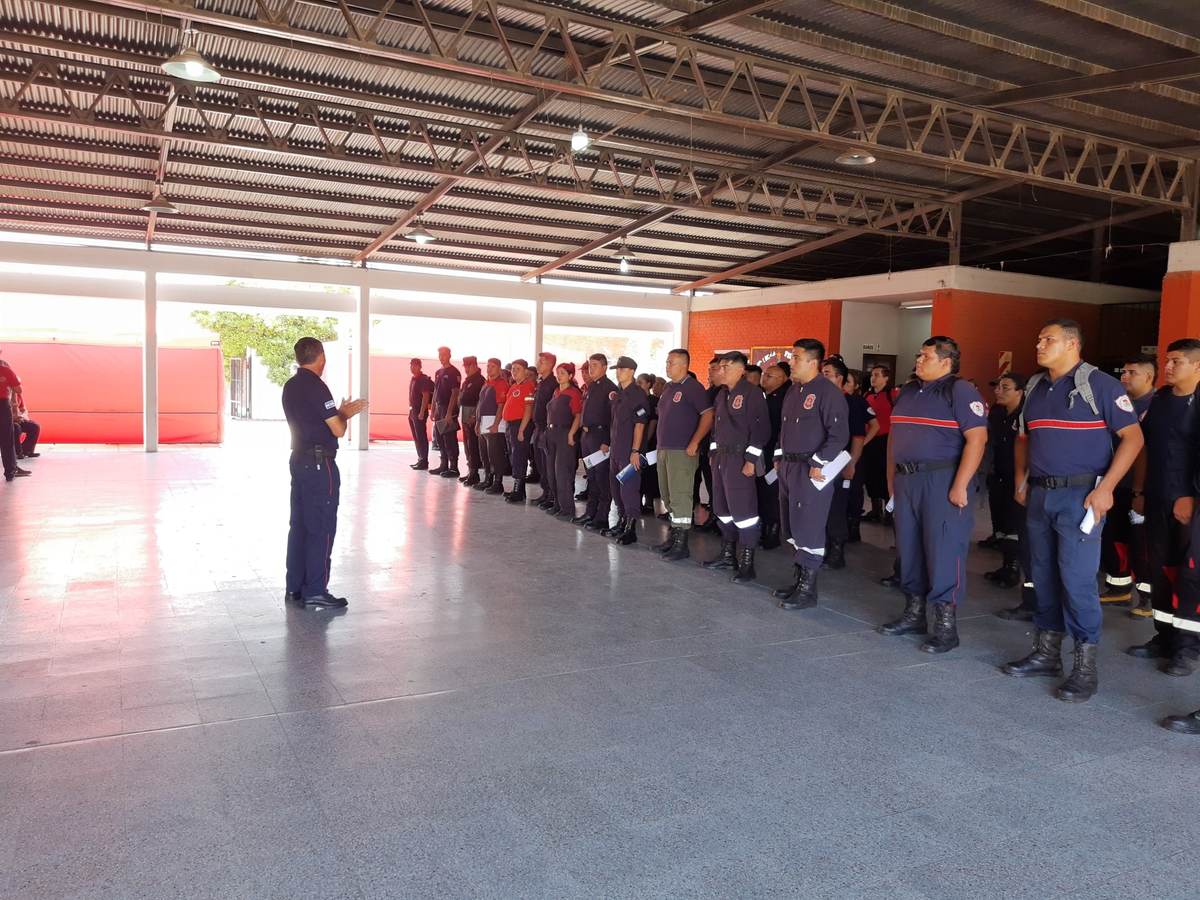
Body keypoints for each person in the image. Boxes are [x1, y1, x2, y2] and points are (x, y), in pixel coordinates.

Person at [1003, 319, 1142, 702]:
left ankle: (1085, 667)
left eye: (1048, 339)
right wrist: (1021, 480)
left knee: (1077, 580)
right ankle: (1048, 653)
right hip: (1040, 495)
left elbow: (1133, 437)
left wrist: (1107, 489)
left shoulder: (1100, 385)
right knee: (1042, 574)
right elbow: (1023, 437)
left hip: (1082, 496)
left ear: (1072, 344)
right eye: (1039, 338)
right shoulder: (1034, 387)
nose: (1039, 344)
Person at [877, 336, 987, 654]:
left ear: (946, 361)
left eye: (926, 356)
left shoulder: (960, 390)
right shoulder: (908, 391)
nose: (919, 360)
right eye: (919, 355)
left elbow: (977, 440)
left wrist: (960, 484)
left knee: (943, 549)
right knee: (908, 547)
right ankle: (914, 613)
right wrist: (891, 478)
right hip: (907, 480)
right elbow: (893, 436)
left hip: (942, 479)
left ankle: (945, 625)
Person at [1128, 340, 1200, 676]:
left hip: (1188, 501)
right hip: (1155, 495)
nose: (1169, 367)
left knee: (1189, 575)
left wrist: (1189, 494)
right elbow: (1144, 447)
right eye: (1167, 360)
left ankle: (1187, 648)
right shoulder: (1160, 399)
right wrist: (1139, 490)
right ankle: (1165, 637)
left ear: (1197, 366)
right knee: (1159, 568)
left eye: (1178, 361)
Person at [281, 337, 368, 609]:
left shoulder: (291, 384)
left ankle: (295, 588)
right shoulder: (317, 387)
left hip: (299, 460)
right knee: (320, 528)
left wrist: (337, 413)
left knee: (300, 527)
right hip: (320, 466)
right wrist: (343, 413)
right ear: (321, 357)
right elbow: (338, 429)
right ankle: (316, 590)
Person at [772, 340, 849, 609]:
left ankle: (808, 589)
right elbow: (784, 429)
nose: (791, 362)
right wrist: (779, 456)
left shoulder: (828, 392)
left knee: (810, 526)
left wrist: (820, 461)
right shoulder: (794, 391)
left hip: (811, 470)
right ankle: (799, 577)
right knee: (792, 524)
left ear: (813, 362)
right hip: (789, 468)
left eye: (796, 357)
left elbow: (839, 435)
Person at [702, 351, 769, 584]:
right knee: (721, 507)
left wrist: (751, 459)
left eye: (725, 367)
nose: (720, 371)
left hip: (740, 458)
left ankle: (747, 563)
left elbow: (760, 429)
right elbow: (715, 428)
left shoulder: (753, 393)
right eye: (719, 367)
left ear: (740, 371)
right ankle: (728, 555)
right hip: (720, 457)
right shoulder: (721, 395)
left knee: (744, 512)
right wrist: (712, 453)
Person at [1099, 355, 1157, 606]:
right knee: (1115, 537)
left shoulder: (1157, 405)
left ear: (1148, 377)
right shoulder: (1119, 404)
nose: (1125, 376)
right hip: (1115, 483)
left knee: (1142, 543)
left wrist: (1140, 491)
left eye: (1132, 372)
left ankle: (1148, 596)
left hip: (1142, 487)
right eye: (1123, 372)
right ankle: (1118, 587)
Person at [984, 374, 1040, 621]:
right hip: (997, 474)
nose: (999, 391)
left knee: (1017, 524)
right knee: (1001, 522)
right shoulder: (996, 414)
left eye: (1005, 387)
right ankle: (1006, 565)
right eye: (998, 386)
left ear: (1021, 392)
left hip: (1017, 478)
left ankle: (1015, 567)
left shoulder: (1026, 415)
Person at [651, 349, 714, 562]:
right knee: (667, 495)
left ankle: (681, 544)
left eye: (672, 362)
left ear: (684, 365)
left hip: (682, 449)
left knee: (681, 495)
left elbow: (708, 414)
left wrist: (695, 441)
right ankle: (673, 536)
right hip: (664, 448)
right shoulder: (669, 387)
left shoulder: (693, 388)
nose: (667, 366)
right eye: (667, 362)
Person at [818, 354, 869, 570]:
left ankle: (837, 552)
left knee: (835, 507)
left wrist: (852, 464)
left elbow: (858, 435)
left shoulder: (848, 401)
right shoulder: (819, 398)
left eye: (827, 374)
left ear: (840, 378)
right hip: (817, 461)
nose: (822, 378)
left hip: (839, 462)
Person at [604, 357, 649, 545]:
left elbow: (640, 424)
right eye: (617, 369)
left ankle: (631, 528)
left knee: (629, 490)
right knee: (616, 490)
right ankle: (622, 522)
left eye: (622, 369)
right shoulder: (619, 394)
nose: (618, 372)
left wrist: (635, 450)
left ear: (632, 371)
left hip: (628, 452)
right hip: (616, 449)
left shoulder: (637, 394)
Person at [574, 354, 618, 530]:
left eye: (595, 365)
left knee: (601, 477)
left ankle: (602, 516)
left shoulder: (609, 389)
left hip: (600, 438)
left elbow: (613, 418)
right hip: (587, 437)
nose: (591, 369)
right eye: (590, 365)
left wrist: (607, 440)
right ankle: (590, 512)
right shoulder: (590, 387)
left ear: (605, 367)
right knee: (591, 476)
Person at [757, 362, 790, 550]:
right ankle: (765, 528)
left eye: (770, 375)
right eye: (765, 374)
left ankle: (773, 531)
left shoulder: (783, 398)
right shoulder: (766, 397)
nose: (764, 378)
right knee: (762, 489)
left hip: (775, 452)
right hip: (763, 449)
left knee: (772, 492)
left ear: (782, 379)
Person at [545, 363, 584, 520]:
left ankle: (567, 507)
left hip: (565, 432)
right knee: (551, 471)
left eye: (562, 373)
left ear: (570, 376)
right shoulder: (556, 392)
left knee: (563, 471)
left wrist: (571, 434)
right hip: (551, 432)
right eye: (558, 372)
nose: (559, 375)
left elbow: (578, 415)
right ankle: (557, 503)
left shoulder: (574, 393)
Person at [843, 368, 877, 542]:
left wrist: (860, 444)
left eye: (848, 382)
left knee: (854, 491)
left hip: (853, 453)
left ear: (856, 386)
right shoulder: (836, 399)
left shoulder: (858, 401)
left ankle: (853, 527)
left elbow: (875, 425)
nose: (844, 385)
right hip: (838, 454)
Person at [862, 365, 898, 524]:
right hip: (869, 439)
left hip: (885, 439)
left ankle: (889, 511)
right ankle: (875, 509)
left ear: (886, 378)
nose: (873, 378)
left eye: (877, 375)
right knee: (870, 474)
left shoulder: (893, 395)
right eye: (872, 375)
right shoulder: (867, 395)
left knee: (885, 475)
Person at [501, 359, 536, 504]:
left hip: (520, 425)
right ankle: (518, 490)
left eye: (518, 369)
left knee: (519, 457)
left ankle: (518, 490)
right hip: (510, 426)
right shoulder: (514, 386)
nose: (514, 371)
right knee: (513, 456)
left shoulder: (528, 387)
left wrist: (522, 430)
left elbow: (528, 410)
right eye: (513, 369)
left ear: (526, 371)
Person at [473, 358, 510, 494]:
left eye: (493, 366)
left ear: (499, 368)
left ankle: (497, 482)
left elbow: (501, 405)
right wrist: (477, 422)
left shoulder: (501, 383)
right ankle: (488, 479)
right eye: (488, 366)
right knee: (485, 454)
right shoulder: (486, 383)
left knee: (495, 454)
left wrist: (496, 424)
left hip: (494, 421)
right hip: (483, 421)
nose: (489, 368)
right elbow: (480, 404)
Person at [530, 352, 559, 508]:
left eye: (541, 362)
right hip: (538, 426)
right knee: (540, 461)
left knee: (548, 463)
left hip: (547, 427)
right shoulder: (541, 383)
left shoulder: (553, 384)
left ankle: (552, 495)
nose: (537, 364)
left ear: (549, 365)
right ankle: (545, 492)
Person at [429, 346, 461, 478]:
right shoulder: (438, 372)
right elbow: (435, 391)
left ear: (449, 355)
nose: (441, 357)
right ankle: (443, 464)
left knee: (449, 438)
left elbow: (455, 393)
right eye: (439, 354)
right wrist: (432, 409)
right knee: (440, 437)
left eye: (443, 354)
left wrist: (449, 412)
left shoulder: (454, 372)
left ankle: (453, 467)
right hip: (439, 408)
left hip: (449, 408)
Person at [457, 356, 485, 487]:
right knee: (467, 444)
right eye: (465, 366)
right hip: (465, 412)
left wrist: (474, 415)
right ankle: (470, 471)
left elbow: (480, 400)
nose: (466, 369)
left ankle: (475, 473)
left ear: (475, 365)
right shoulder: (468, 380)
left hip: (472, 413)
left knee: (473, 445)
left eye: (469, 366)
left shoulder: (480, 380)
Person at [636, 373, 661, 515]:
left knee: (649, 472)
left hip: (649, 443)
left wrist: (646, 440)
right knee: (638, 471)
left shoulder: (653, 400)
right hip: (637, 441)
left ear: (649, 385)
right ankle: (637, 502)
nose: (638, 385)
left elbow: (653, 421)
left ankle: (649, 503)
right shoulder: (637, 399)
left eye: (641, 382)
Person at [0, 356, 25, 482]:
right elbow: (18, 389)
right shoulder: (5, 369)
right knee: (7, 439)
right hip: (2, 405)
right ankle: (10, 471)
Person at [407, 358, 434, 471]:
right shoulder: (413, 379)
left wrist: (422, 411)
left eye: (415, 365)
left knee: (421, 436)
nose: (412, 367)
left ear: (420, 366)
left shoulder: (423, 380)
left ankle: (424, 460)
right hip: (413, 410)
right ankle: (420, 458)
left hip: (419, 410)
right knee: (416, 436)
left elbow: (425, 396)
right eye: (411, 365)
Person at [13, 393, 40, 460]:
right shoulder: (4, 395)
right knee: (16, 428)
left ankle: (26, 450)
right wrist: (13, 418)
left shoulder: (18, 394)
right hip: (6, 420)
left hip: (17, 418)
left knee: (35, 426)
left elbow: (23, 410)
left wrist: (22, 416)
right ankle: (17, 452)